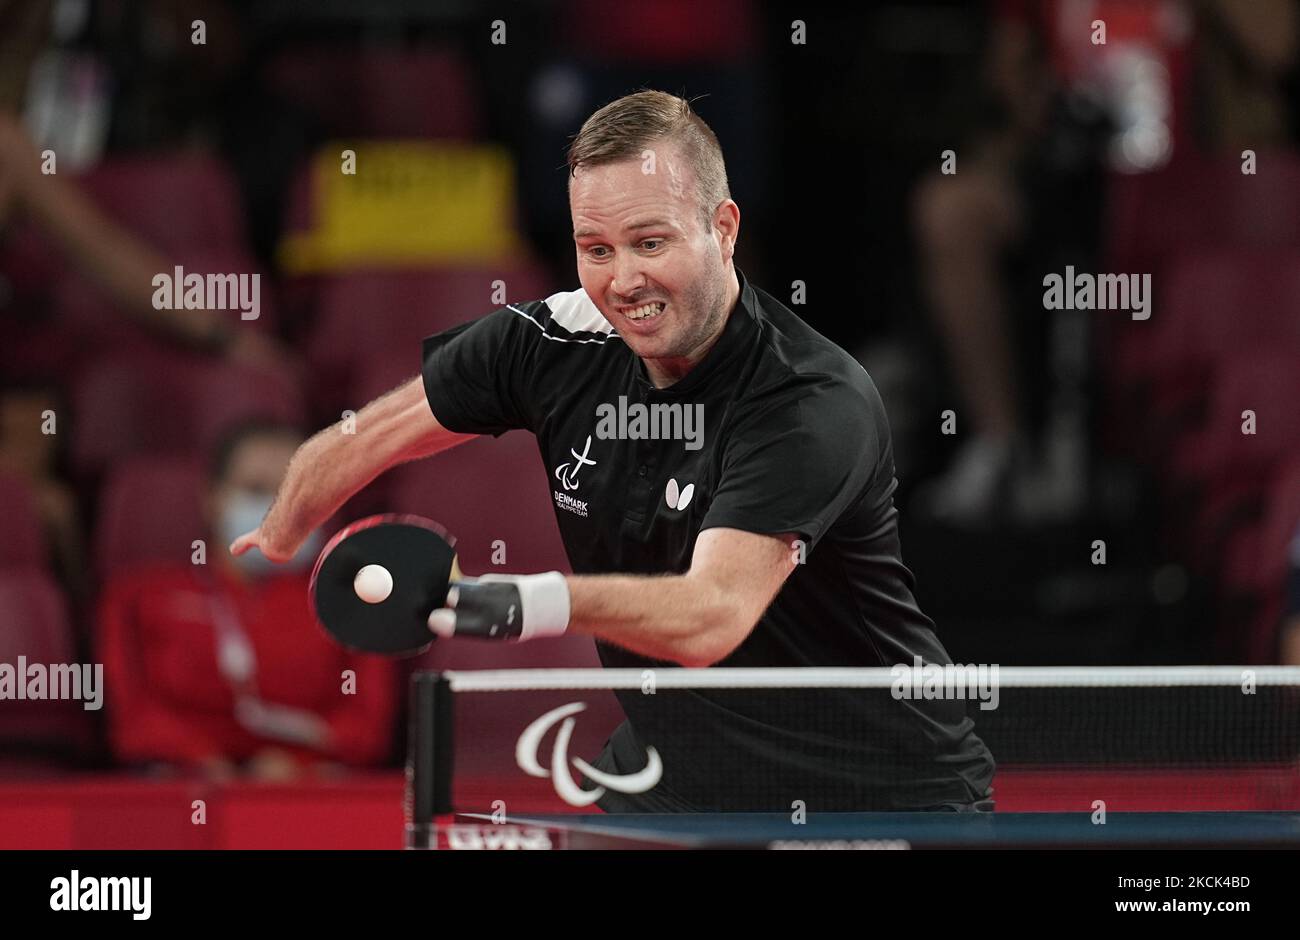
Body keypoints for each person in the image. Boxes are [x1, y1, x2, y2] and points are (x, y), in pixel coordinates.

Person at [232, 91, 995, 811]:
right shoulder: (547, 342)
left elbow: (710, 616)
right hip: (680, 770)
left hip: (873, 789)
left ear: (724, 229)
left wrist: (519, 601)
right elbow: (369, 436)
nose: (623, 279)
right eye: (595, 248)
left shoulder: (807, 400)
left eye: (650, 242)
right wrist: (287, 523)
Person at [100, 419, 395, 780]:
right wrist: (199, 761)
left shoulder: (356, 598)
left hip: (308, 791)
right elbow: (132, 714)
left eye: (297, 489)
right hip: (175, 785)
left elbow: (366, 722)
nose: (278, 507)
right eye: (256, 489)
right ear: (212, 498)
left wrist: (297, 764)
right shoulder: (139, 596)